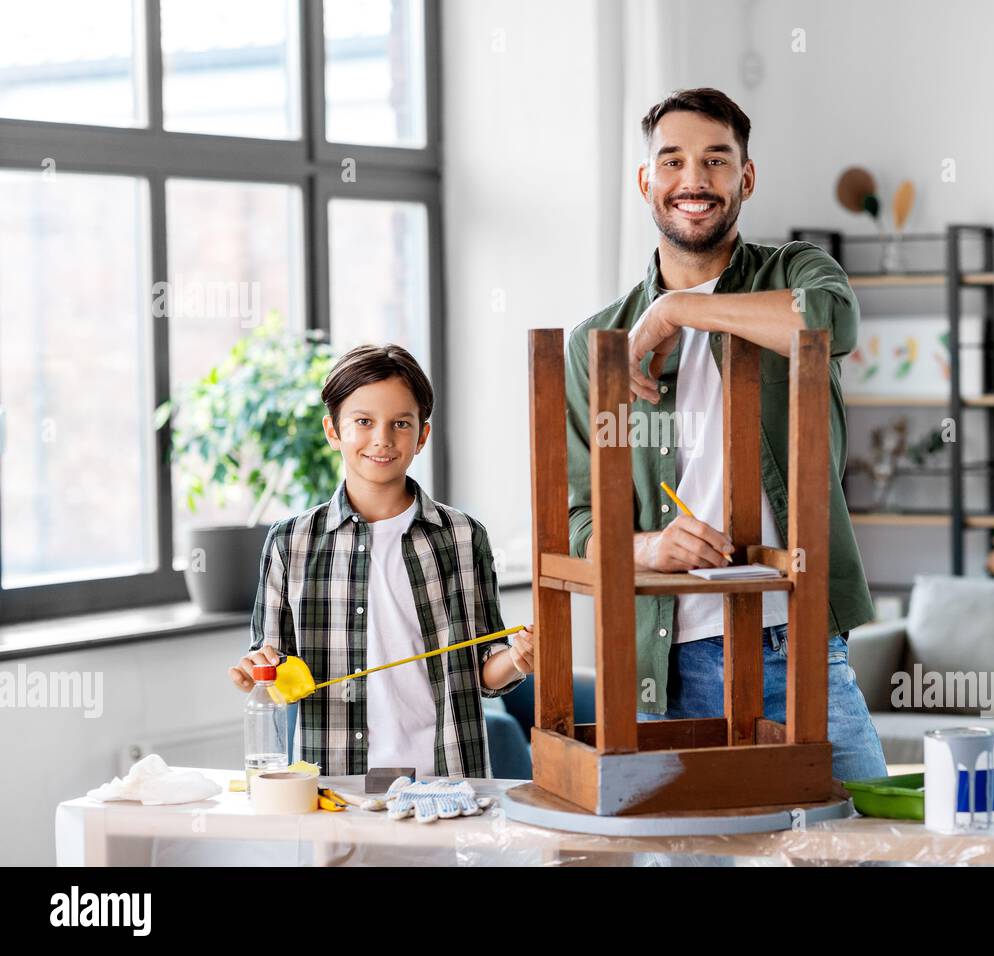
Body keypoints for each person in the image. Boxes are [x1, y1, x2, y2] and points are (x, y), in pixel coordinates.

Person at [565, 88, 887, 782]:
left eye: (716, 160)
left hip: (795, 641)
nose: (694, 180)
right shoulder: (594, 342)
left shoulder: (797, 271)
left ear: (746, 177)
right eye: (673, 161)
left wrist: (682, 309)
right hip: (661, 660)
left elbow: (830, 323)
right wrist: (647, 545)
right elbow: (573, 519)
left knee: (867, 848)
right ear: (645, 181)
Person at [229, 343, 534, 777]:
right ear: (334, 431)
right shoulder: (290, 543)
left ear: (422, 436)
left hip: (446, 778)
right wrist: (257, 672)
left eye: (401, 424)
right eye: (363, 422)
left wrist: (519, 660)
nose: (382, 439)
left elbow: (483, 673)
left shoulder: (464, 536)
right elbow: (275, 669)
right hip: (333, 782)